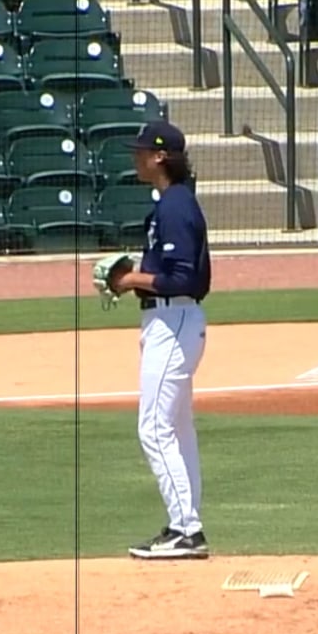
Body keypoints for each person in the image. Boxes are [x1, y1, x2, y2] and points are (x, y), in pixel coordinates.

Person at [107, 120, 214, 560]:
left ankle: (186, 529)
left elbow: (182, 276)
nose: (136, 158)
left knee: (153, 427)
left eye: (141, 152)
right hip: (177, 322)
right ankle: (185, 525)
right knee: (177, 428)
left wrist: (130, 277)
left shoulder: (175, 206)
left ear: (160, 157)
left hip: (174, 322)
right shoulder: (173, 202)